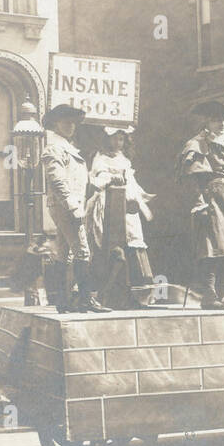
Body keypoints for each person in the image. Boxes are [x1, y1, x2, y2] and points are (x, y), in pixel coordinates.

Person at [175, 99, 224, 309]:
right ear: (207, 121)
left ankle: (220, 293)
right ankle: (208, 295)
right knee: (211, 246)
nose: (222, 124)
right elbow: (191, 178)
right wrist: (199, 203)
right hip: (211, 199)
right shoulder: (198, 144)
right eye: (216, 120)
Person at [40, 103, 107, 313]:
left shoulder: (68, 148)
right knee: (82, 251)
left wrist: (103, 180)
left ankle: (63, 300)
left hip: (71, 205)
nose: (71, 126)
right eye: (65, 121)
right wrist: (72, 206)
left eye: (73, 122)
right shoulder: (54, 149)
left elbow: (81, 180)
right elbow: (57, 181)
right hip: (66, 206)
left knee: (64, 253)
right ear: (55, 124)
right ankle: (86, 299)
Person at [85, 126, 155, 310]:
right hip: (108, 203)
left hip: (126, 203)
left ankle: (133, 295)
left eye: (121, 139)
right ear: (107, 139)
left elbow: (131, 181)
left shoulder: (124, 159)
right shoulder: (100, 158)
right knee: (110, 244)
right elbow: (97, 178)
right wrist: (110, 179)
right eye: (114, 139)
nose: (117, 143)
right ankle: (107, 294)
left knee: (132, 241)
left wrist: (139, 197)